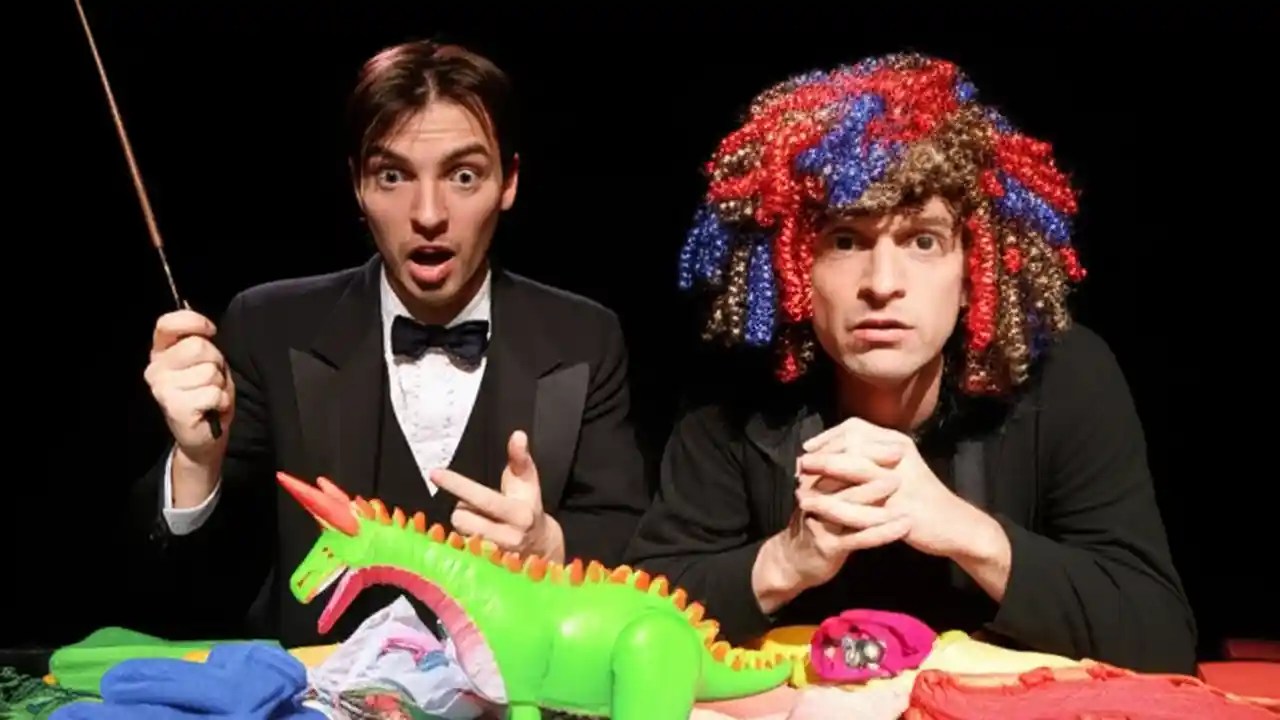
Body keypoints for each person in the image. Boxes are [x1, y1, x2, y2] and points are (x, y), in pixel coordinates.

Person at [624, 53, 1197, 674]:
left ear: (975, 268)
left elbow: (1159, 634)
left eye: (923, 241)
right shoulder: (734, 391)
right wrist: (784, 562)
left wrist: (967, 533)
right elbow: (636, 623)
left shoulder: (1064, 375)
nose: (882, 283)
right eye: (845, 240)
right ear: (791, 268)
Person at [134, 39, 650, 646]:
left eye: (463, 175)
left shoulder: (585, 336)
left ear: (508, 182)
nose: (428, 213)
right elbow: (190, 589)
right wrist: (196, 463)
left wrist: (550, 546)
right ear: (357, 184)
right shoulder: (270, 326)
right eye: (392, 175)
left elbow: (630, 539)